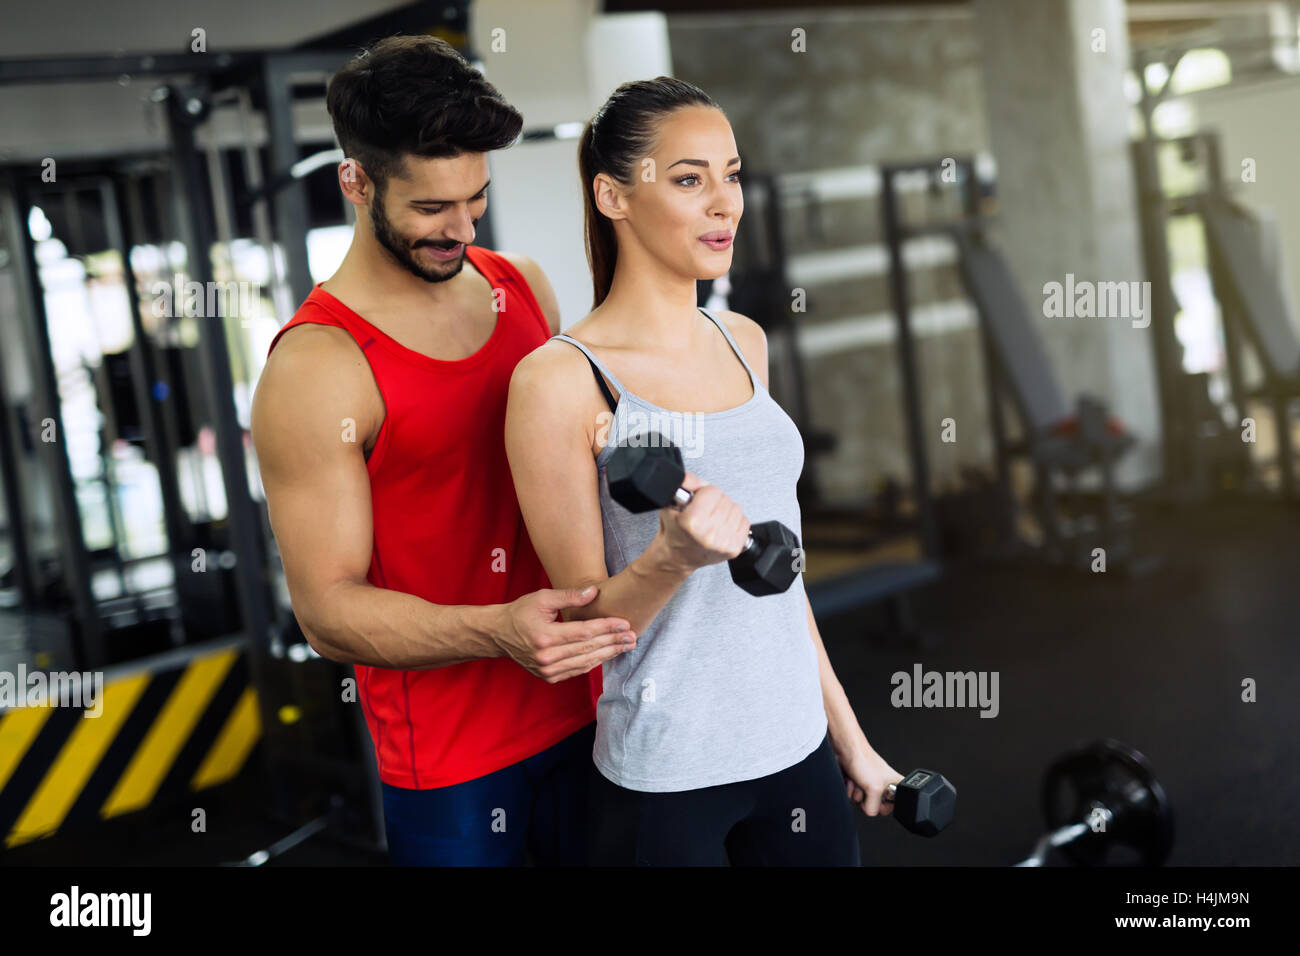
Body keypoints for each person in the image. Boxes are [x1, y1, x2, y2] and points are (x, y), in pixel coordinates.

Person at [249, 35, 637, 866]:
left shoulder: (522, 285)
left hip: (598, 705)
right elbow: (326, 610)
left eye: (476, 200)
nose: (461, 228)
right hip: (458, 761)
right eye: (431, 209)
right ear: (355, 182)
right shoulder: (316, 368)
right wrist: (499, 630)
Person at [504, 77, 903, 865]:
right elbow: (586, 631)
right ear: (613, 196)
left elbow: (781, 581)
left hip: (795, 753)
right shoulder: (559, 381)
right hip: (669, 773)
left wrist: (848, 739)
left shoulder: (742, 341)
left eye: (732, 174)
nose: (726, 203)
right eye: (690, 179)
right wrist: (671, 559)